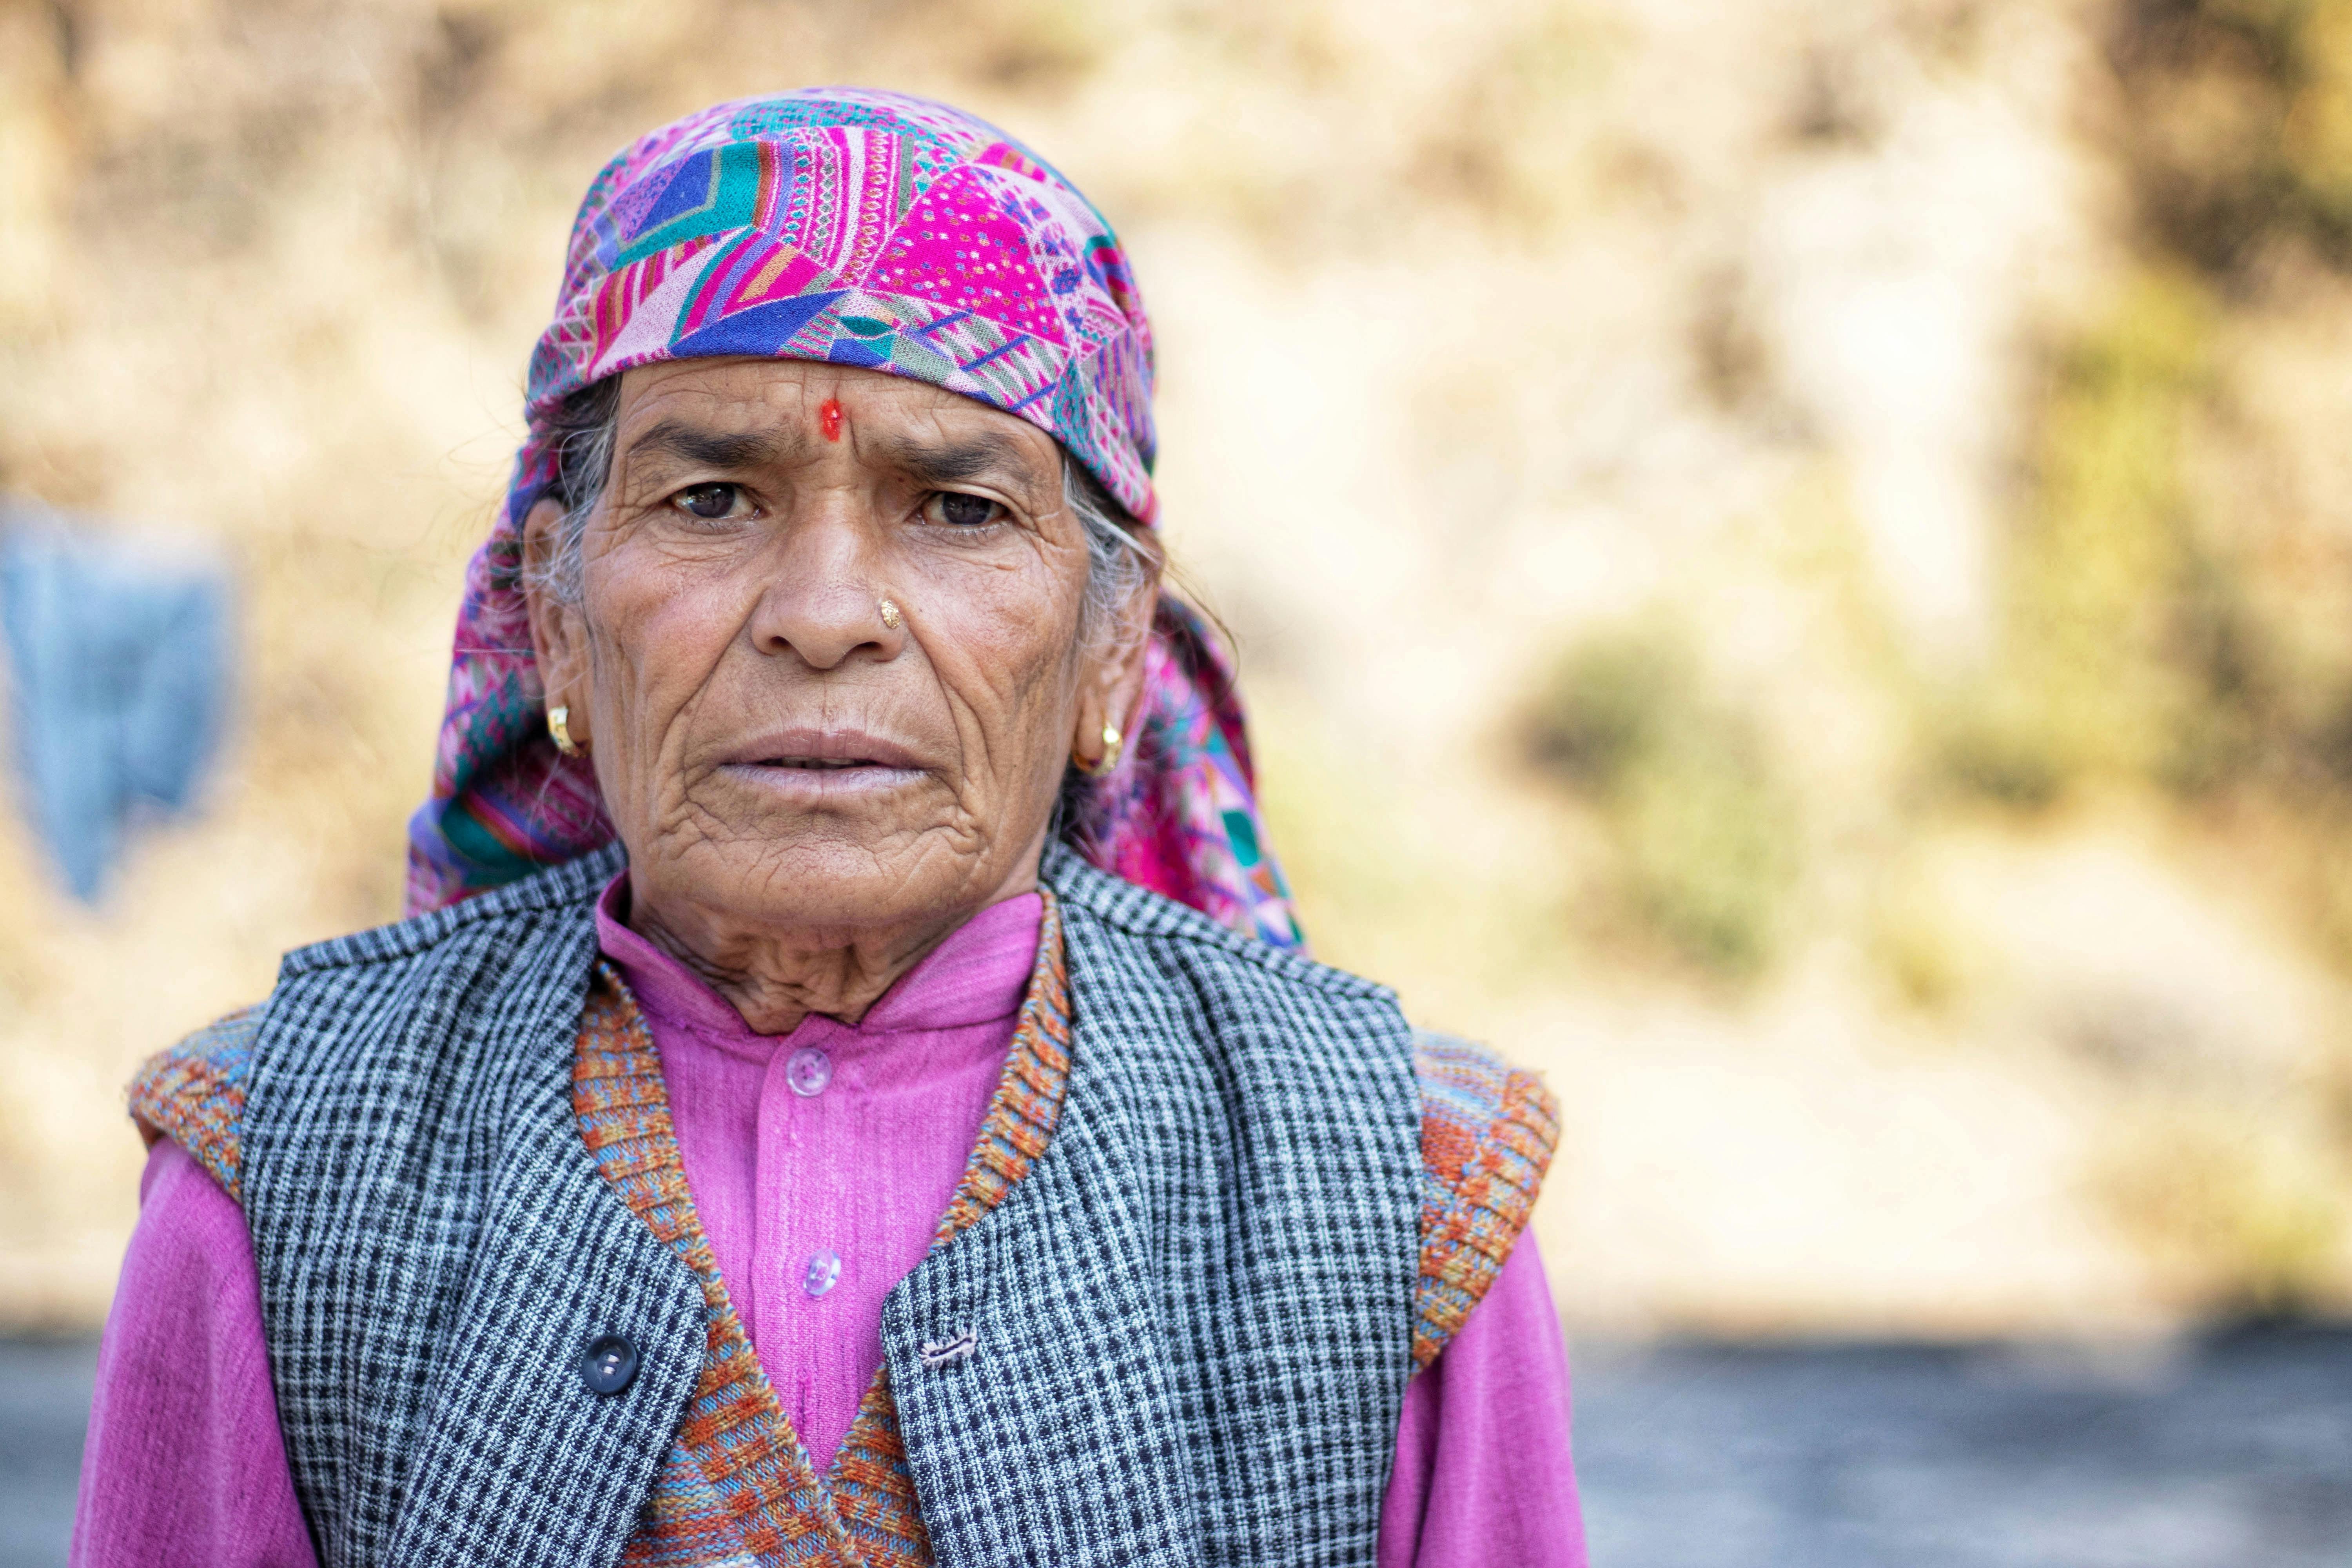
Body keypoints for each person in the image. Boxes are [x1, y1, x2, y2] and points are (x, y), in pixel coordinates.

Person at [72, 88, 1583, 1567]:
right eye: (714, 497)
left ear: (1113, 645)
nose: (825, 615)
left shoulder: (1402, 1187)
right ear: (556, 609)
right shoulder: (281, 1162)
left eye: (959, 509)